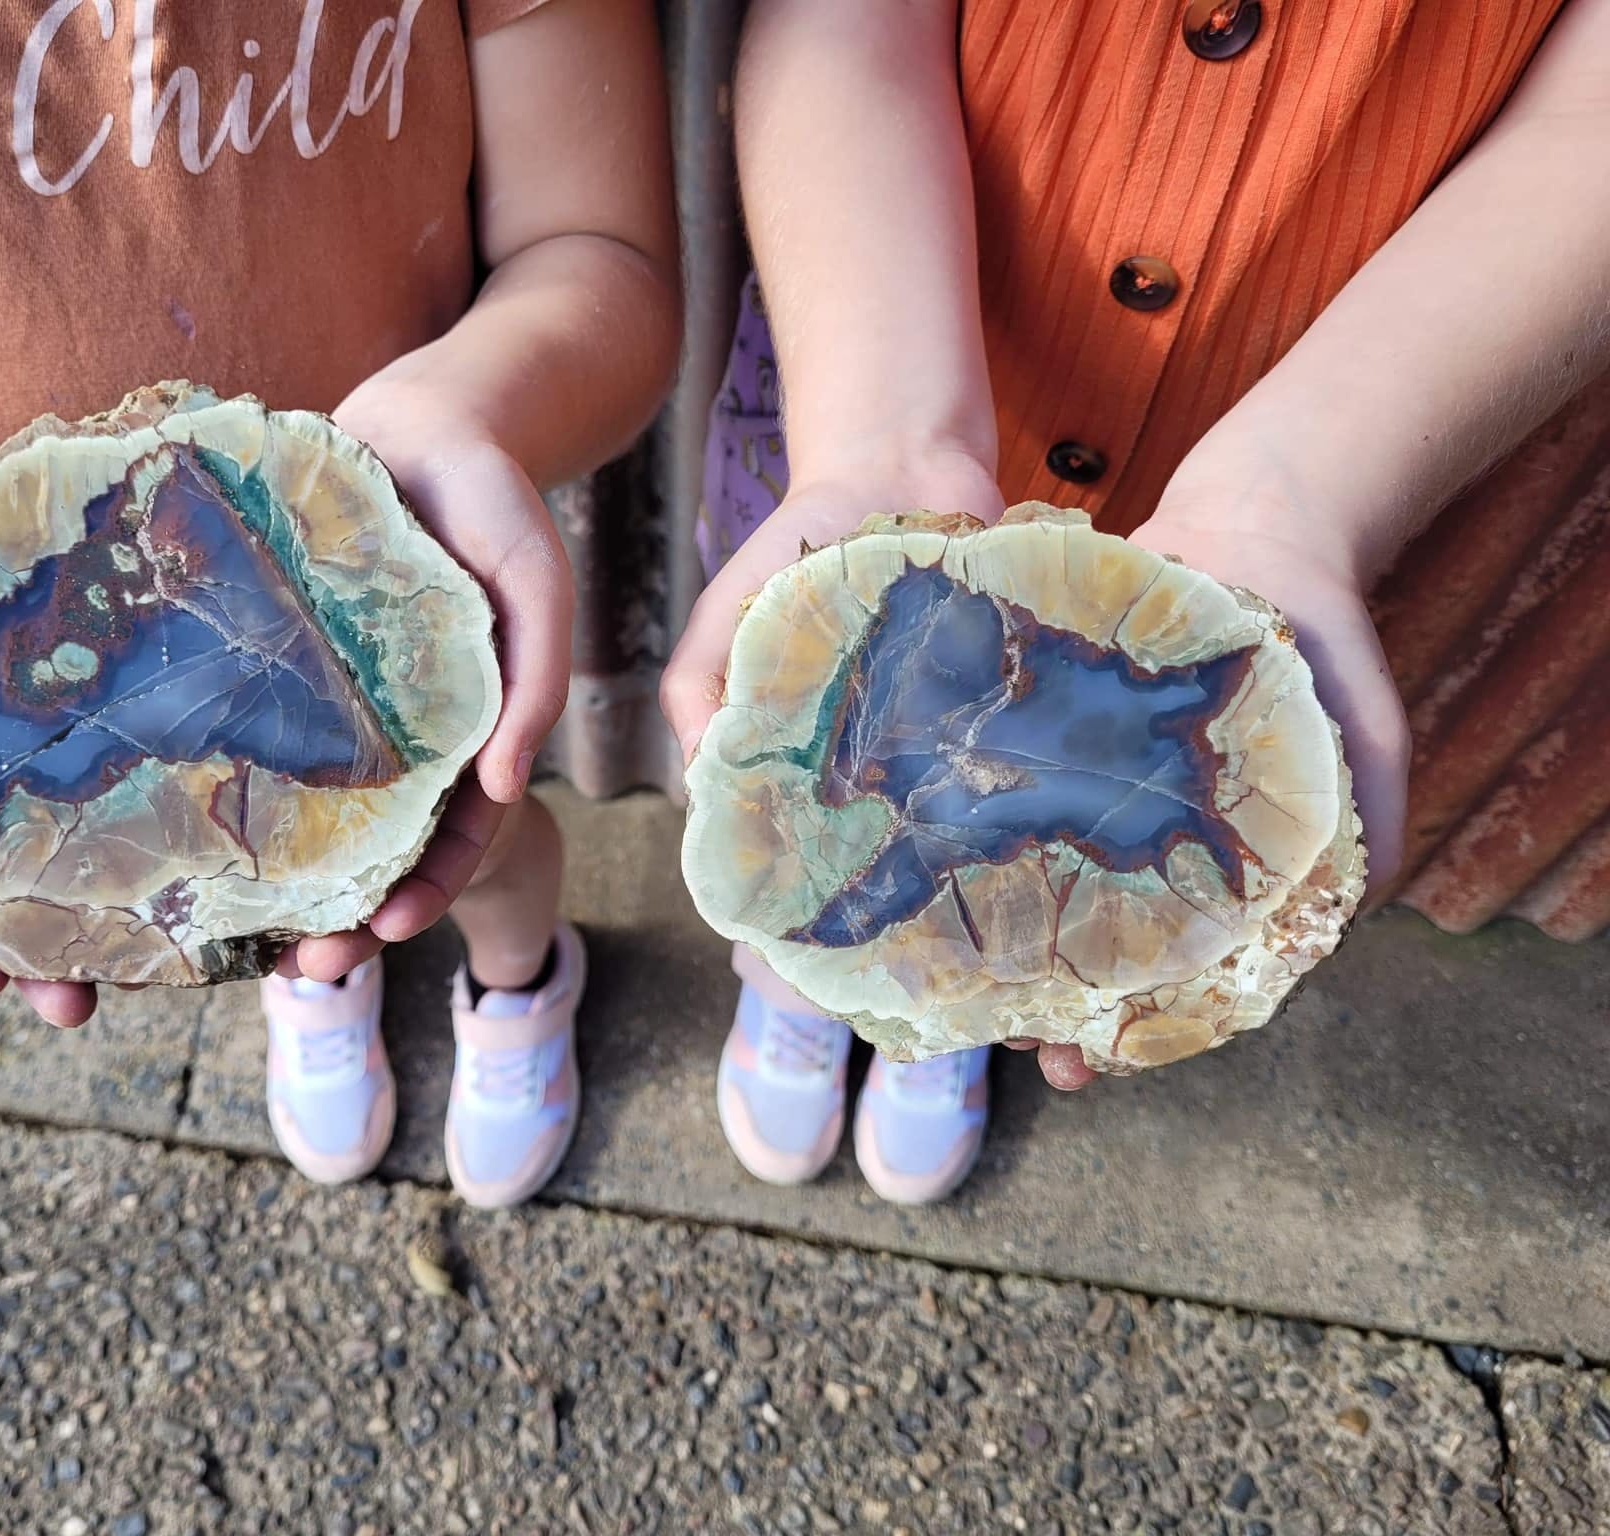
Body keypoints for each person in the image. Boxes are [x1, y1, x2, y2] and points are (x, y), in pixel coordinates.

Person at [0, 0, 680, 1209]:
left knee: (485, 840)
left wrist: (472, 407)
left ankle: (516, 977)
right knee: (272, 877)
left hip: (375, 608)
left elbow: (591, 240)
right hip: (14, 676)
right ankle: (309, 964)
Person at [666, 0, 1610, 1200]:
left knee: (959, 833)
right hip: (885, 337)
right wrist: (875, 436)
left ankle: (936, 1017)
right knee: (826, 797)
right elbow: (842, 23)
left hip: (1328, 408)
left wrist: (1300, 498)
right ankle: (819, 972)